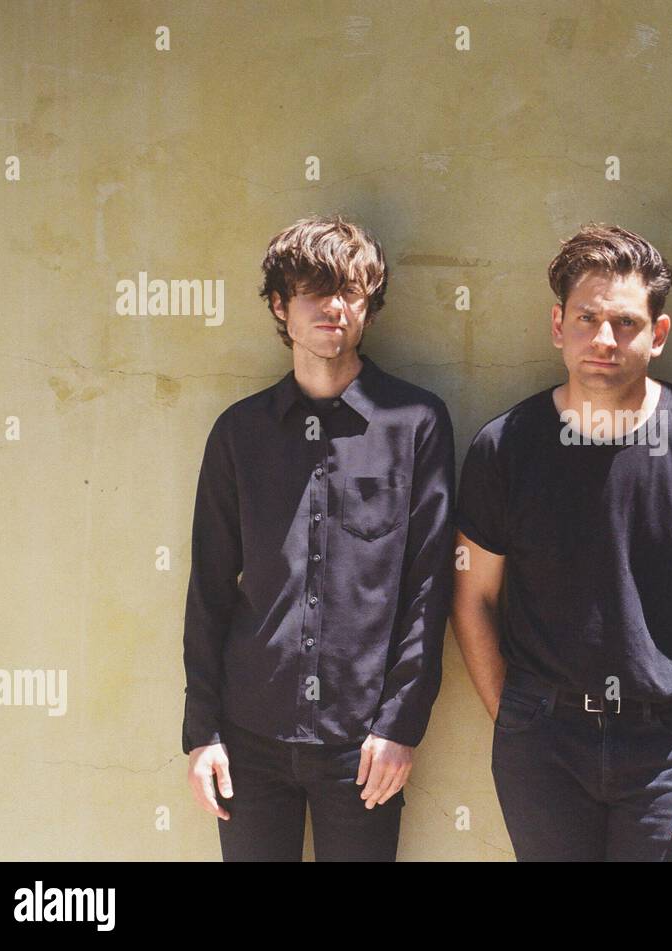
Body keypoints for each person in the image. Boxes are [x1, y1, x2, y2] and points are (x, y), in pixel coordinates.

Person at [452, 223, 672, 861]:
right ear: (557, 325)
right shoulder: (505, 447)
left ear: (658, 334)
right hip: (542, 741)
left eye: (625, 322)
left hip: (667, 745)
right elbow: (472, 598)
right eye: (587, 317)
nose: (604, 338)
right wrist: (516, 719)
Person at [181, 214, 455, 861]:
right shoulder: (238, 434)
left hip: (362, 747)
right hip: (248, 739)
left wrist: (401, 722)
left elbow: (428, 587)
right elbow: (210, 589)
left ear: (368, 304)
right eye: (314, 289)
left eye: (351, 291)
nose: (334, 306)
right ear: (281, 305)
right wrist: (202, 731)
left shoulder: (416, 423)